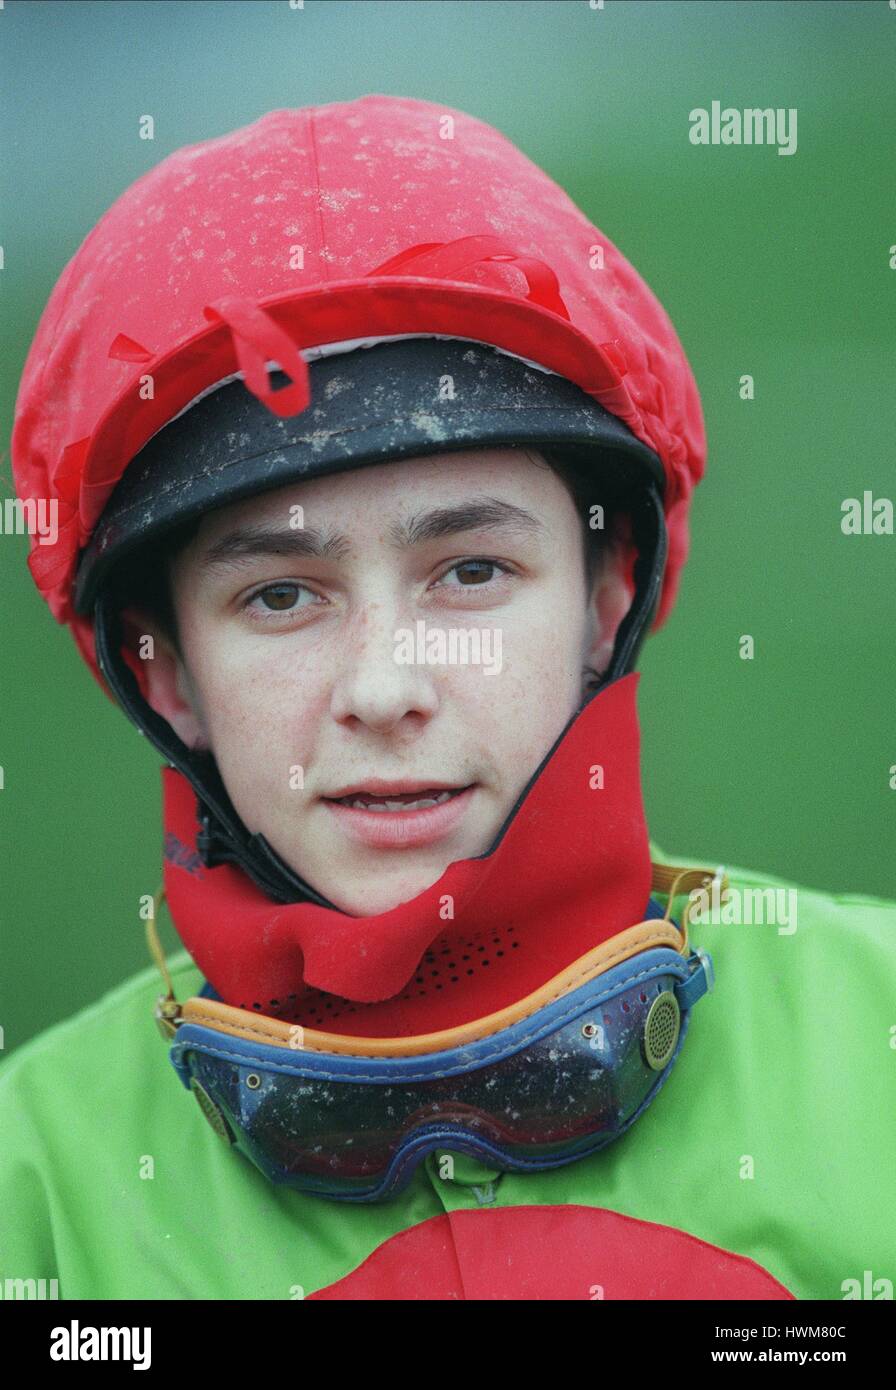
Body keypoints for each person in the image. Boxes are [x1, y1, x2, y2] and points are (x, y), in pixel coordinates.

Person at [3, 95, 893, 1302]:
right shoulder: (31, 1192)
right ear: (161, 665)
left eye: (470, 572)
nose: (384, 687)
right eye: (278, 596)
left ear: (604, 593)